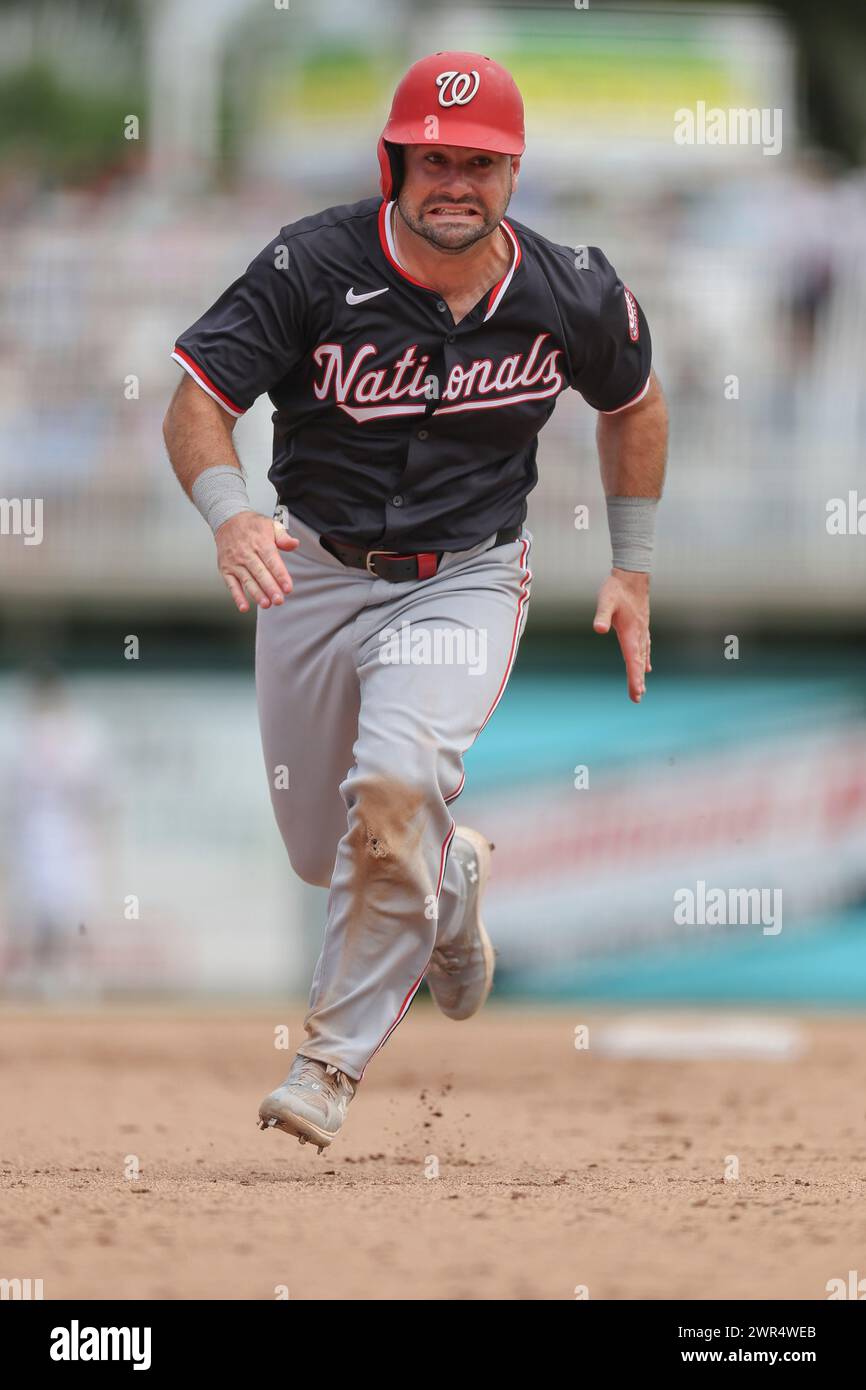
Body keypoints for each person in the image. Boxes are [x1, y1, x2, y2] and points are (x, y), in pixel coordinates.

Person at [162, 50, 668, 1153]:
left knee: (393, 786)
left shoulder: (568, 284)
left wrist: (629, 566)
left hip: (467, 575)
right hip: (314, 569)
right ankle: (453, 876)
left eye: (479, 163)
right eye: (433, 158)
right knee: (325, 848)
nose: (456, 182)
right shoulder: (310, 263)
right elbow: (197, 400)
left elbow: (634, 403)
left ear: (512, 173)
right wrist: (229, 511)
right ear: (394, 161)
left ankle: (327, 1062)